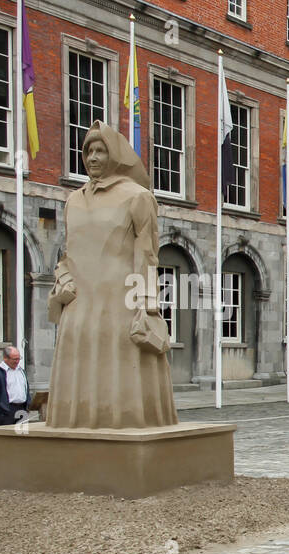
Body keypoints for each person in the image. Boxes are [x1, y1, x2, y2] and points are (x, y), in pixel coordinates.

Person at [45, 122, 176, 429]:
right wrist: (61, 275)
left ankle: (126, 424)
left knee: (120, 368)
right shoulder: (73, 200)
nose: (92, 157)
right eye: (88, 151)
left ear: (114, 154)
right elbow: (68, 253)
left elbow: (146, 255)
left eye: (100, 150)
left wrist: (146, 304)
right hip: (79, 304)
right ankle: (76, 423)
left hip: (119, 301)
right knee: (81, 366)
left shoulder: (138, 197)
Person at [0, 345, 30, 426]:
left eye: (19, 358)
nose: (17, 361)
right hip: (6, 412)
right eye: (14, 359)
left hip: (22, 409)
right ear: (6, 358)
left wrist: (27, 404)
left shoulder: (21, 371)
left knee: (22, 436)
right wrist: (1, 409)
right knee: (6, 437)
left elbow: (26, 389)